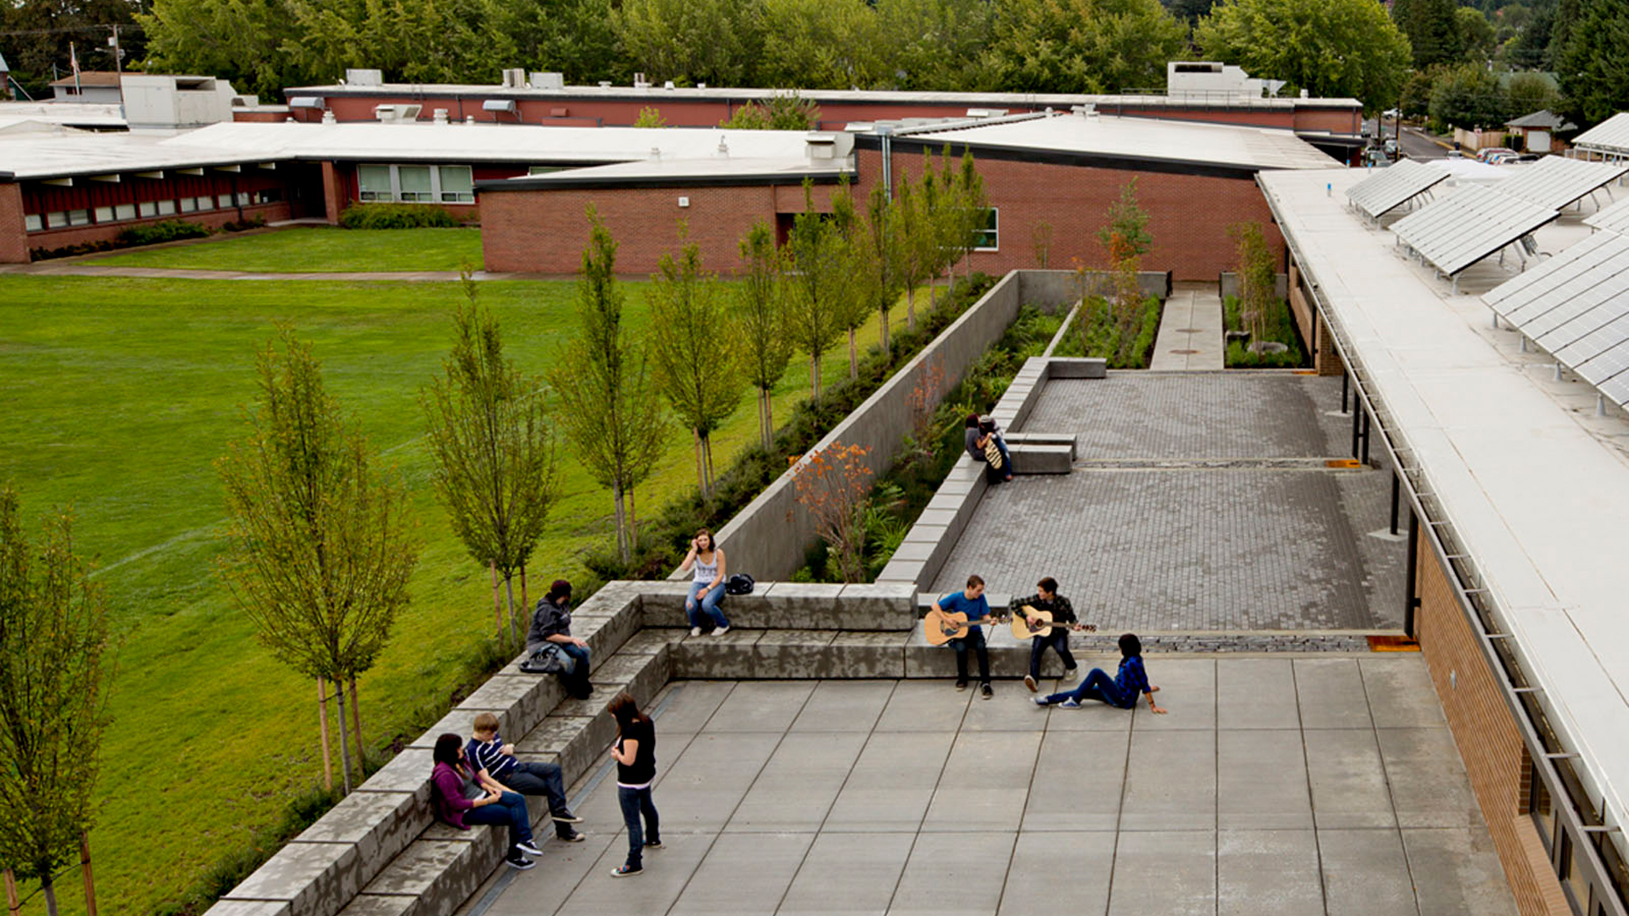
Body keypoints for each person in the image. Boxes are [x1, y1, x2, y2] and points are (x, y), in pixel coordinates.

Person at [428, 733, 541, 870]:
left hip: (483, 795)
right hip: (468, 810)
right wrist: (488, 801)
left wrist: (488, 788)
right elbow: (456, 804)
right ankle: (514, 856)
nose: (461, 750)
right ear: (448, 752)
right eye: (457, 748)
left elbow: (476, 777)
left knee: (517, 799)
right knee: (511, 814)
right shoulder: (444, 775)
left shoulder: (461, 760)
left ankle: (526, 840)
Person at [466, 712, 584, 843]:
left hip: (519, 766)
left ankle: (561, 814)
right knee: (550, 787)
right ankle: (564, 828)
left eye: (494, 733)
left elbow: (505, 748)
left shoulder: (492, 736)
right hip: (508, 777)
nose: (493, 736)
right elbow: (485, 777)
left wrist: (510, 747)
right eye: (489, 734)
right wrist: (507, 791)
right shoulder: (473, 750)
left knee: (554, 770)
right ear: (479, 731)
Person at [1033, 633, 1166, 714]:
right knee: (1081, 691)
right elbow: (1140, 681)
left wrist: (1152, 706)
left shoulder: (1133, 664)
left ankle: (1073, 702)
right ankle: (1048, 699)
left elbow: (1142, 681)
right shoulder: (1133, 658)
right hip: (1117, 690)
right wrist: (1147, 688)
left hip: (1122, 699)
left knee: (1096, 673)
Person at [608, 691, 661, 877]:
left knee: (633, 823)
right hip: (646, 775)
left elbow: (628, 760)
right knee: (647, 805)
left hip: (630, 782)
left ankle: (633, 862)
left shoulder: (630, 731)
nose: (612, 717)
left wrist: (617, 755)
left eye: (613, 713)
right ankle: (653, 837)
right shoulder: (646, 721)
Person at [1009, 576, 1095, 693]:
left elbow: (1072, 618)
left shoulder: (1063, 602)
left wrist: (1075, 625)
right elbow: (1015, 604)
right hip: (1042, 633)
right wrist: (1026, 616)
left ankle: (1072, 667)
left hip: (1058, 632)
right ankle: (1034, 680)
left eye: (1041, 591)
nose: (1038, 593)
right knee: (1036, 652)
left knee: (1061, 649)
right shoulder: (1037, 599)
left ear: (1050, 592)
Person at [527, 579, 593, 699]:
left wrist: (570, 640)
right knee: (566, 662)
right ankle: (575, 687)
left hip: (561, 640)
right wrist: (572, 640)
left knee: (585, 651)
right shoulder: (546, 610)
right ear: (565, 594)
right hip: (543, 644)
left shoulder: (563, 604)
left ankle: (583, 681)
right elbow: (549, 635)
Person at [933, 574, 996, 699]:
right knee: (961, 649)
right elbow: (935, 606)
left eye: (981, 590)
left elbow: (985, 615)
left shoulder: (981, 598)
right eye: (978, 590)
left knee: (981, 648)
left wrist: (990, 621)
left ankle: (985, 683)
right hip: (959, 633)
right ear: (969, 588)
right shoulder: (956, 598)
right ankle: (962, 678)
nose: (980, 593)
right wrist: (948, 620)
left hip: (974, 631)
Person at [679, 528, 730, 637]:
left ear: (710, 541)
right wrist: (693, 550)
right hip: (699, 582)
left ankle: (723, 624)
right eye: (700, 540)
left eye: (705, 540)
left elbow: (720, 575)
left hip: (716, 583)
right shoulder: (695, 553)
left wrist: (707, 589)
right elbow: (684, 568)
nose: (703, 543)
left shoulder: (718, 553)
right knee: (690, 605)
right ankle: (696, 626)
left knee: (707, 604)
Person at [965, 413, 1014, 484]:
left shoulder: (968, 430)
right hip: (979, 454)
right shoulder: (975, 431)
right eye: (977, 418)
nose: (979, 418)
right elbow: (979, 446)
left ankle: (999, 476)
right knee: (997, 455)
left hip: (973, 453)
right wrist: (988, 437)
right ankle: (997, 477)